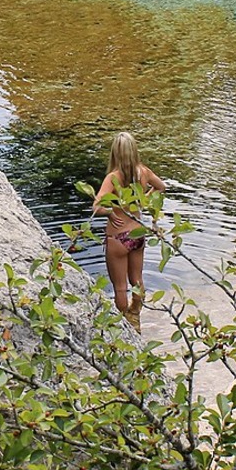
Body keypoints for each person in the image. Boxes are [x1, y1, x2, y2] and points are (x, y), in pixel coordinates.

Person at [92, 132, 165, 331]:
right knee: (137, 279)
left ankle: (124, 323)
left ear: (115, 153)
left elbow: (96, 207)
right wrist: (145, 200)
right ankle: (135, 316)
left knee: (120, 286)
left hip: (118, 237)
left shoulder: (113, 177)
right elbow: (161, 187)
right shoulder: (143, 172)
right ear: (134, 151)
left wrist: (109, 213)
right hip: (137, 235)